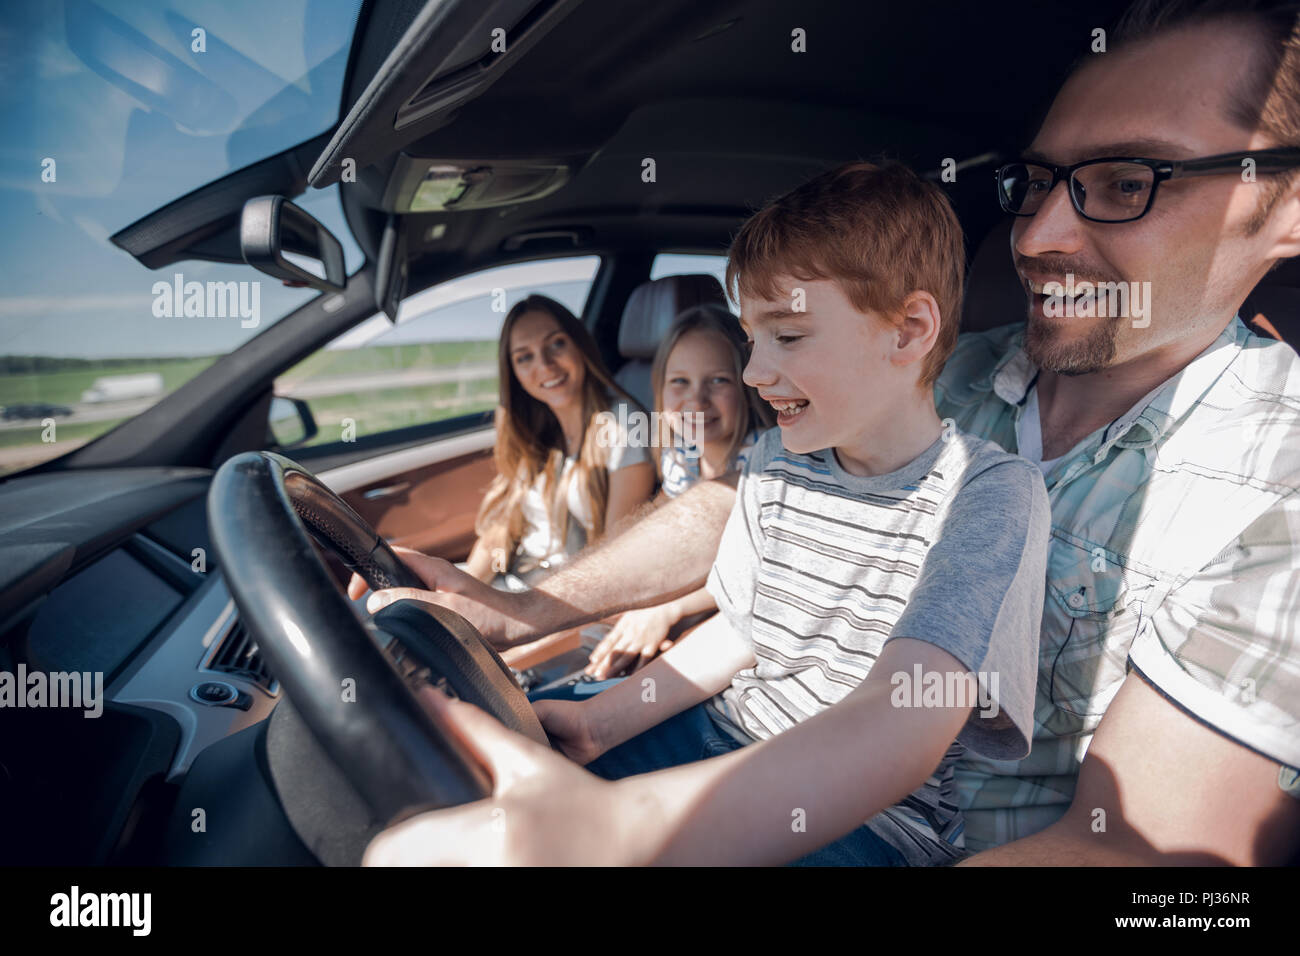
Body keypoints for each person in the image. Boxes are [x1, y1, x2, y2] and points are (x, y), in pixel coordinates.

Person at [358, 0, 1300, 866]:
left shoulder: (1274, 491)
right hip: (733, 734)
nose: (1037, 233)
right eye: (1038, 181)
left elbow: (1158, 879)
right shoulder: (954, 372)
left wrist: (630, 831)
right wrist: (525, 610)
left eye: (1128, 181)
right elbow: (744, 527)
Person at [367, 159, 1055, 866]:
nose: (756, 372)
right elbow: (743, 631)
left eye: (787, 338)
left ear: (907, 332)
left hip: (870, 819)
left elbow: (902, 722)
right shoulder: (776, 464)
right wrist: (601, 723)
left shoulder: (989, 495)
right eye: (752, 339)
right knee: (466, 803)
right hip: (720, 728)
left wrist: (618, 826)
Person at [583, 304, 773, 680]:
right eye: (680, 383)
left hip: (743, 611)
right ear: (660, 389)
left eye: (718, 381)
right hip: (698, 593)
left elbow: (751, 575)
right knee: (596, 628)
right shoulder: (682, 453)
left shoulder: (764, 459)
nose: (697, 401)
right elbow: (670, 528)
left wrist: (667, 610)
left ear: (746, 385)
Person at [462, 294, 656, 590]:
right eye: (524, 357)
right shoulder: (534, 427)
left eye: (556, 344)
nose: (545, 365)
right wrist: (459, 596)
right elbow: (498, 532)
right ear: (513, 372)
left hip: (568, 595)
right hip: (516, 582)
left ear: (580, 345)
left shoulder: (623, 423)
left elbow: (615, 556)